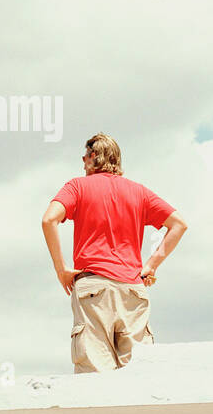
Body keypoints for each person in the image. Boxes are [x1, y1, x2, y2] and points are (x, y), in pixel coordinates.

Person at [41, 133, 187, 373]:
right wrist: (151, 266)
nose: (82, 161)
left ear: (94, 156)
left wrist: (62, 270)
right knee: (141, 374)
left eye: (85, 156)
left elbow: (49, 220)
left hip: (94, 288)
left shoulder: (77, 186)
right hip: (132, 290)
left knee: (95, 376)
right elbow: (179, 224)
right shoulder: (139, 192)